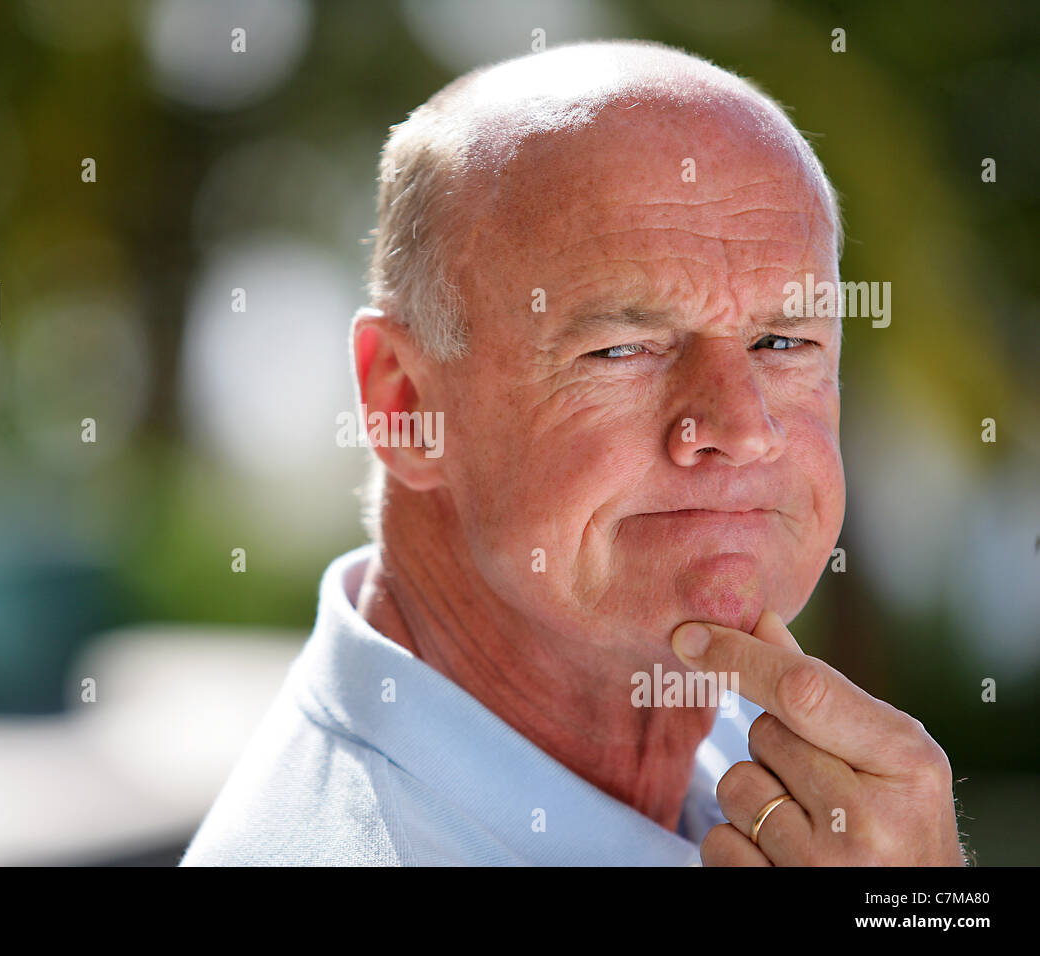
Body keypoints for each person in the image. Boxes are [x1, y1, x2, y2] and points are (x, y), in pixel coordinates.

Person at [181, 40, 965, 866]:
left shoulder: (761, 768)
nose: (742, 426)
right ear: (405, 407)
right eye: (622, 349)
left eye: (781, 340)